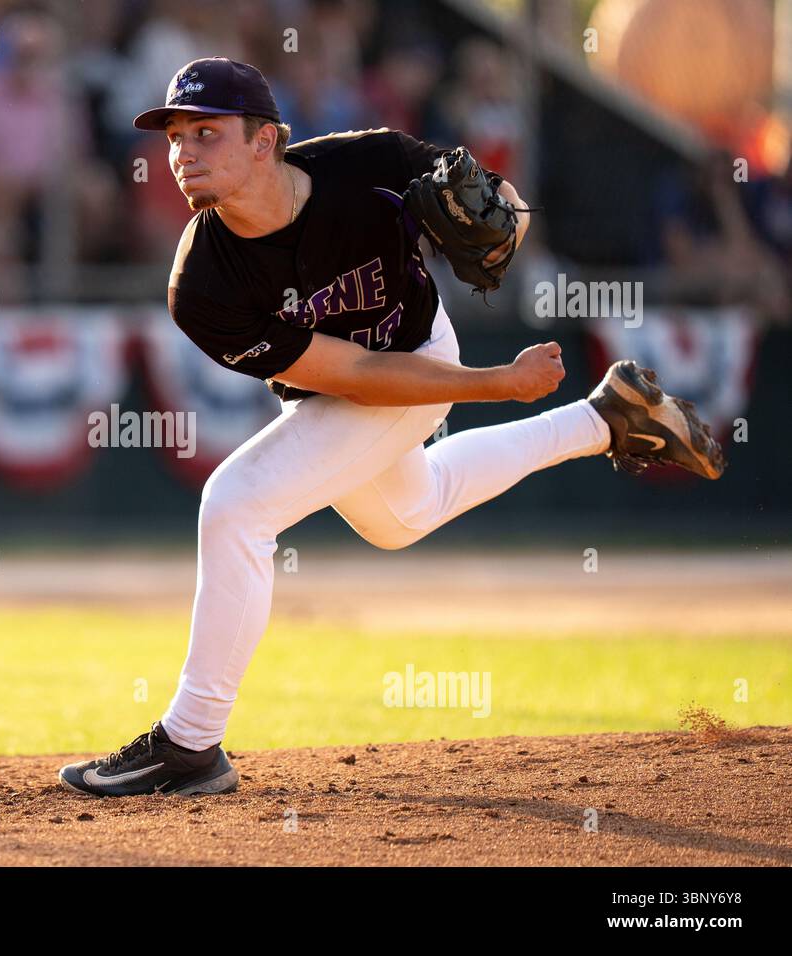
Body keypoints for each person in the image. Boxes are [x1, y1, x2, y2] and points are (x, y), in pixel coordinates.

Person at [58, 58, 725, 798]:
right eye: (177, 137)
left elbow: (497, 197)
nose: (183, 154)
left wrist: (507, 209)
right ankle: (605, 418)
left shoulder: (369, 163)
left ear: (265, 142)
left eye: (207, 134)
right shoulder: (203, 285)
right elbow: (353, 380)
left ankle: (190, 743)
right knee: (405, 514)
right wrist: (494, 386)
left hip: (417, 353)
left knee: (236, 506)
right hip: (352, 383)